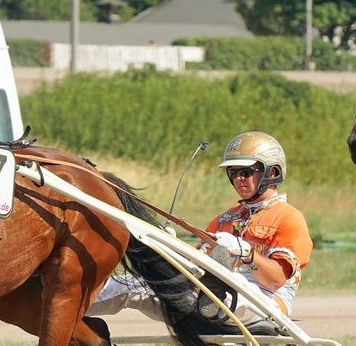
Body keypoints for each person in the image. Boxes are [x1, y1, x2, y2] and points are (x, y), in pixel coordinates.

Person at [87, 131, 313, 327]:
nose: (238, 179)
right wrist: (170, 248)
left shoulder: (289, 218)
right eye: (233, 172)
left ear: (271, 172)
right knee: (132, 283)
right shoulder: (225, 218)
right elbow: (195, 264)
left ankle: (212, 295)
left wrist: (246, 253)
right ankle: (69, 304)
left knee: (230, 288)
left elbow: (275, 280)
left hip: (265, 302)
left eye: (245, 172)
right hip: (206, 292)